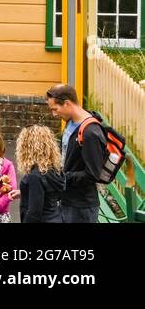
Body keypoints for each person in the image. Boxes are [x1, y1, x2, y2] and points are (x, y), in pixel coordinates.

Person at [45, 83, 109, 223]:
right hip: (67, 199)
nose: (54, 114)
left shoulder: (91, 132)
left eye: (55, 109)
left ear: (67, 103)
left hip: (81, 207)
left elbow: (92, 174)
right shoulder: (70, 122)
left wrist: (64, 177)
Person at [16, 124, 66, 224]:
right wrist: (24, 192)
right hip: (56, 217)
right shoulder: (54, 169)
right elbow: (50, 195)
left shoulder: (35, 175)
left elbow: (34, 213)